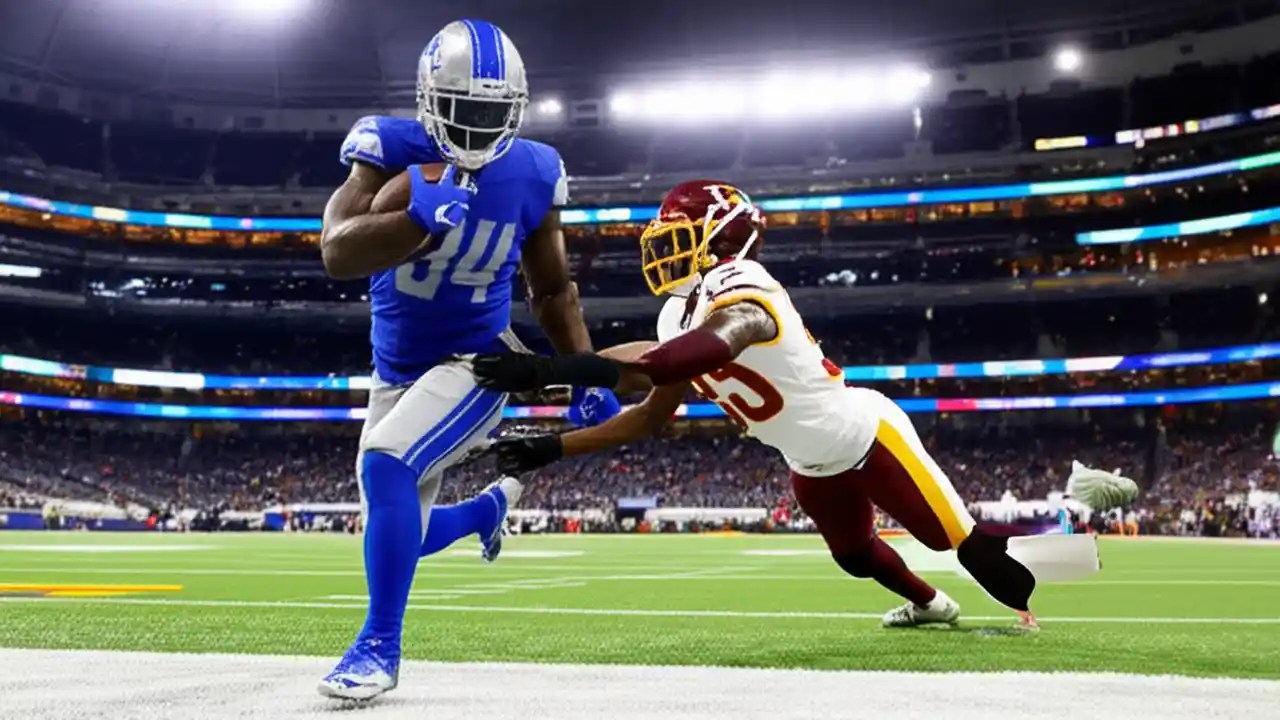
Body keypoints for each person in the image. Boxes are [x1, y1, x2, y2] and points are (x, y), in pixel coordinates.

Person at [471, 180, 1117, 631]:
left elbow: (678, 359)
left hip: (866, 435)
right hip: (809, 463)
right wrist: (548, 445)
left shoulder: (745, 291)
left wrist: (550, 366)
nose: (665, 247)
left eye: (682, 233)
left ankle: (1078, 519)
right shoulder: (681, 311)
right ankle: (929, 606)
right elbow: (645, 408)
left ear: (722, 234)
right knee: (856, 556)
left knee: (982, 562)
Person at [315, 18, 619, 700]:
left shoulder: (537, 170)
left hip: (479, 360)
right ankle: (483, 512)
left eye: (493, 112)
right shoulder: (389, 148)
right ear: (428, 99)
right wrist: (412, 220)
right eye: (465, 110)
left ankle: (377, 649)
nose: (479, 128)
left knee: (387, 463)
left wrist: (584, 368)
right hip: (396, 372)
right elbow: (335, 250)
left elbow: (552, 290)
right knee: (401, 534)